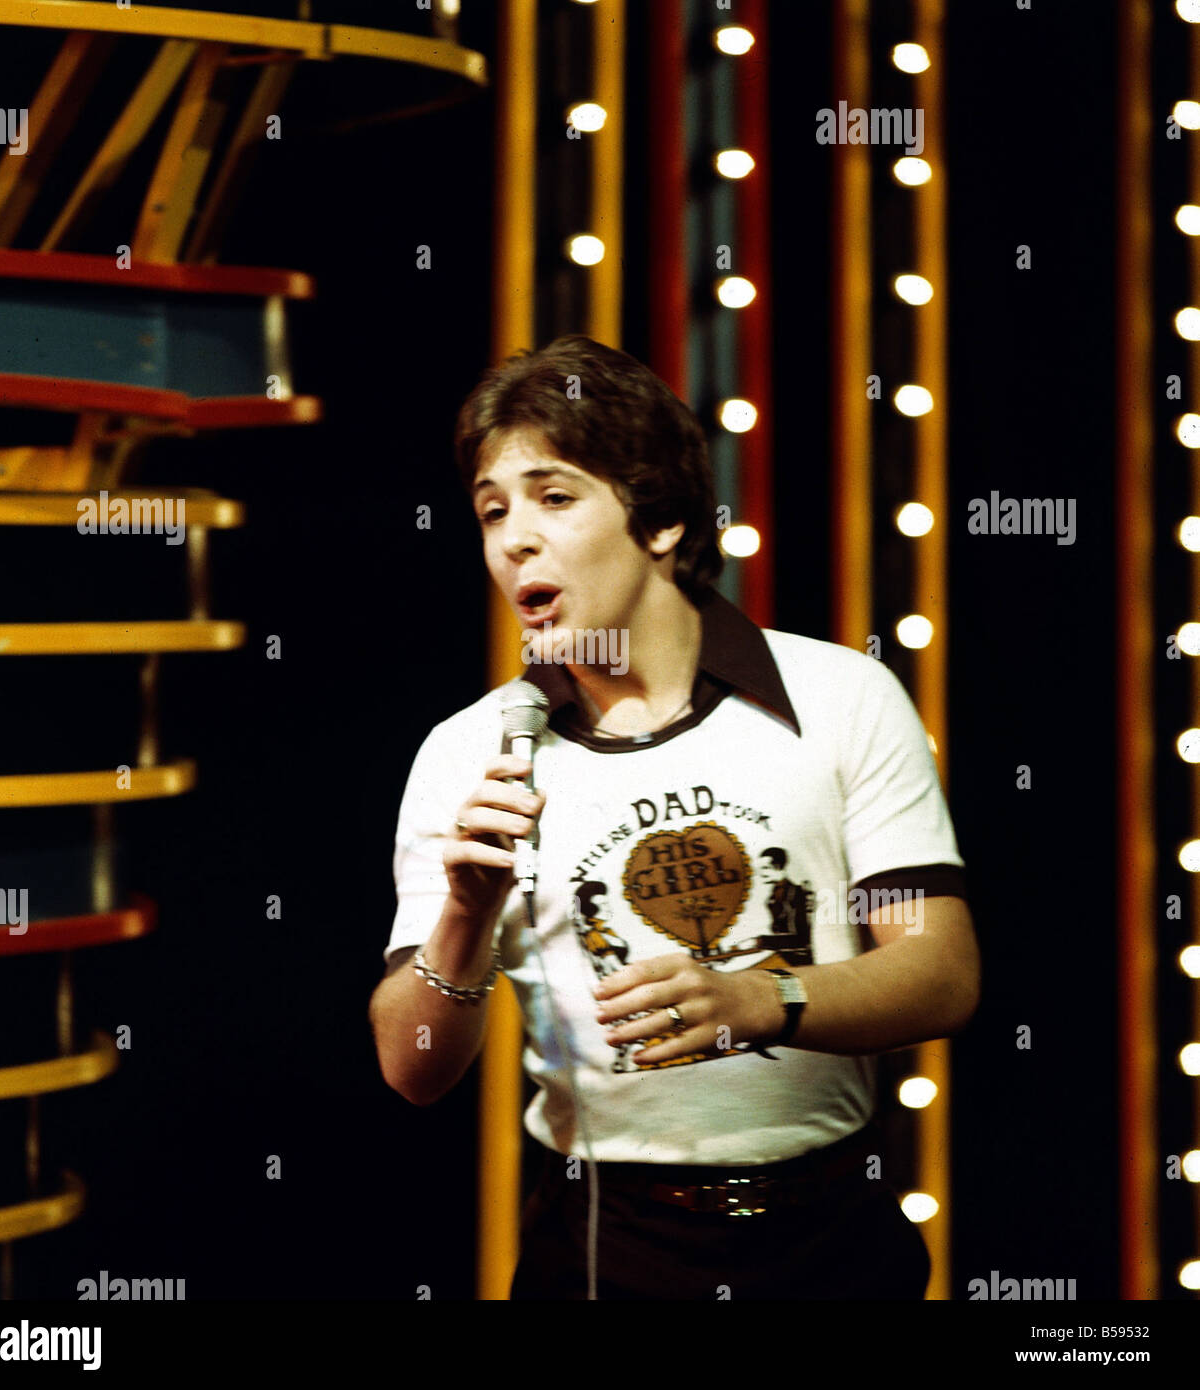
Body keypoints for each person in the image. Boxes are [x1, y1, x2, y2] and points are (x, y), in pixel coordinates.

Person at [369, 334, 980, 1301]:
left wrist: (761, 1001)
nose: (514, 538)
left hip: (832, 1236)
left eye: (555, 496)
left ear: (656, 518)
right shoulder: (468, 753)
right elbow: (412, 1071)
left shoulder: (842, 694)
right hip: (613, 1243)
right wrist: (465, 916)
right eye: (493, 512)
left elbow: (941, 974)